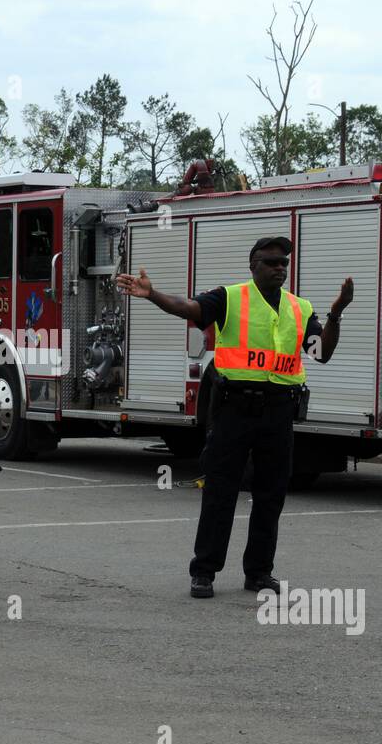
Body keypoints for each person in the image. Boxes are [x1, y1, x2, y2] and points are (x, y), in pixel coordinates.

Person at [117, 236, 354, 598]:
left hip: (278, 411)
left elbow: (322, 353)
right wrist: (153, 294)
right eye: (271, 261)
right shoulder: (230, 298)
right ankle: (204, 572)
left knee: (271, 494)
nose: (279, 267)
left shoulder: (299, 307)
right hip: (234, 409)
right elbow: (188, 308)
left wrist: (336, 314)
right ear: (253, 266)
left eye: (283, 263)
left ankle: (259, 572)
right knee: (220, 491)